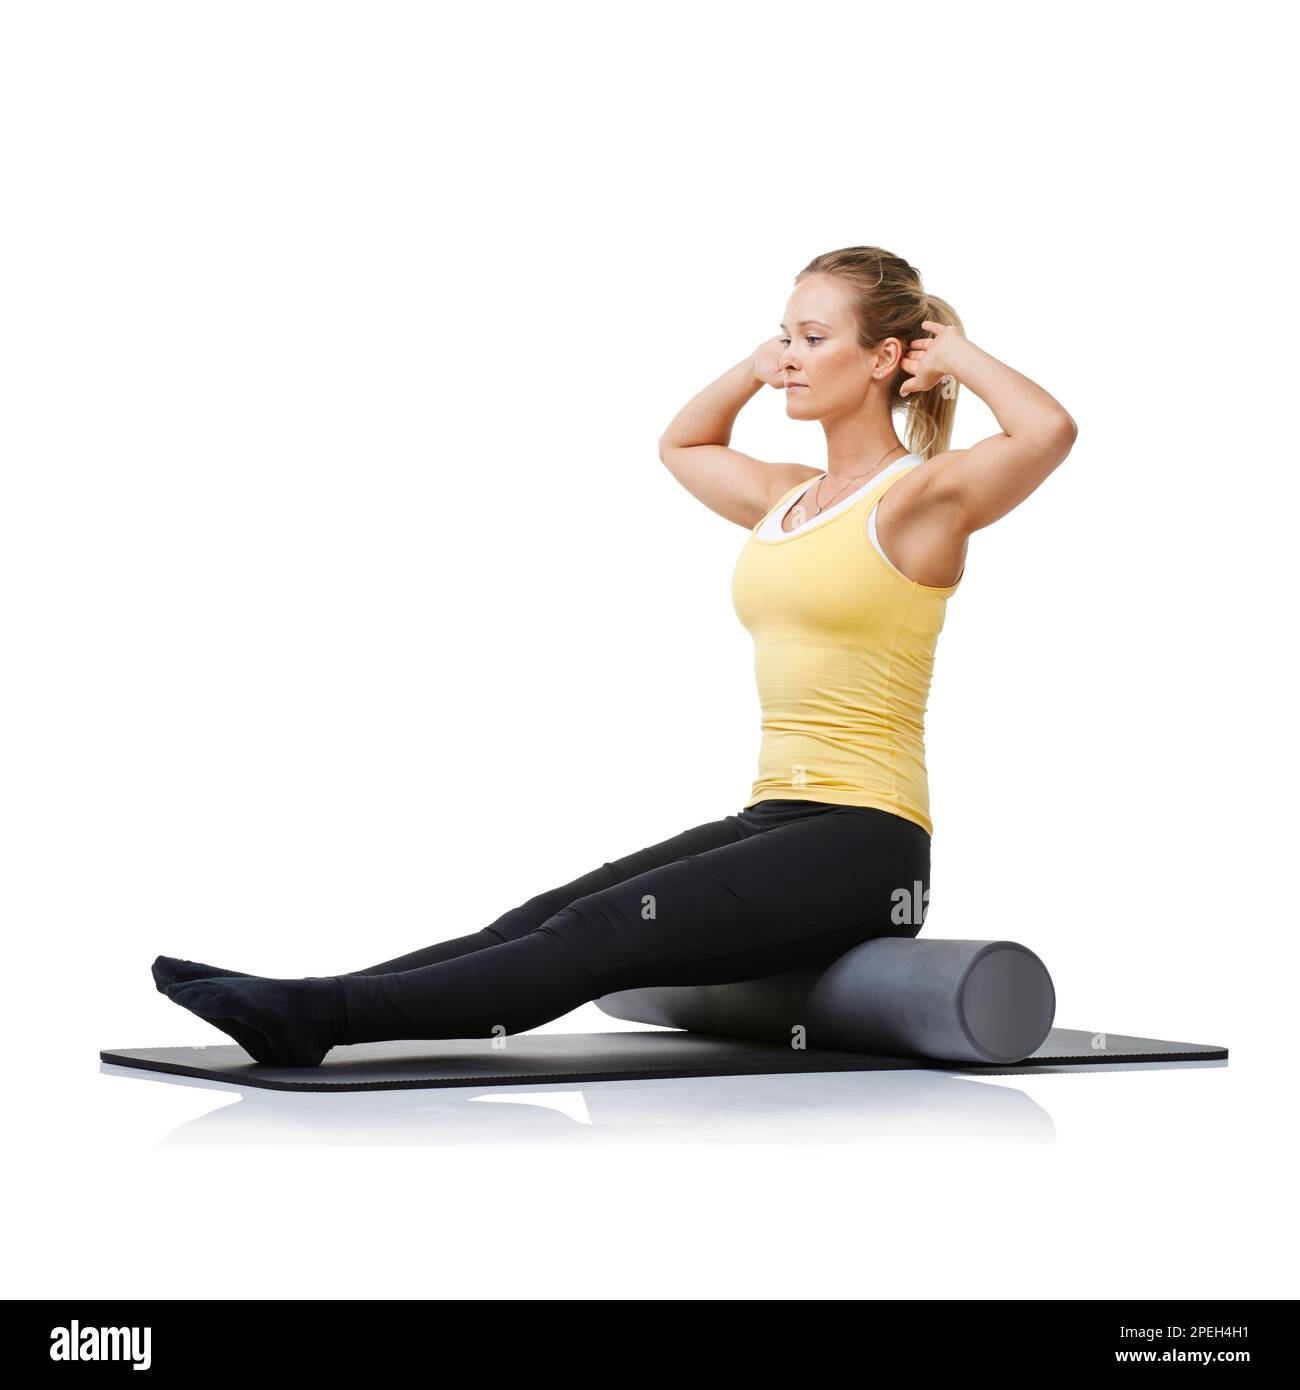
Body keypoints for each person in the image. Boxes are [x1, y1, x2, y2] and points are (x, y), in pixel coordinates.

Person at [155, 244, 1078, 1066]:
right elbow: (682, 443)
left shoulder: (919, 501)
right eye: (779, 335)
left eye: (811, 338)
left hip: (868, 845)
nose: (787, 356)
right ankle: (308, 1005)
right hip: (776, 818)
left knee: (597, 931)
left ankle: (327, 1018)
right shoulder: (789, 495)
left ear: (885, 357)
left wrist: (949, 350)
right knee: (538, 917)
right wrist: (757, 370)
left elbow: (1047, 432)